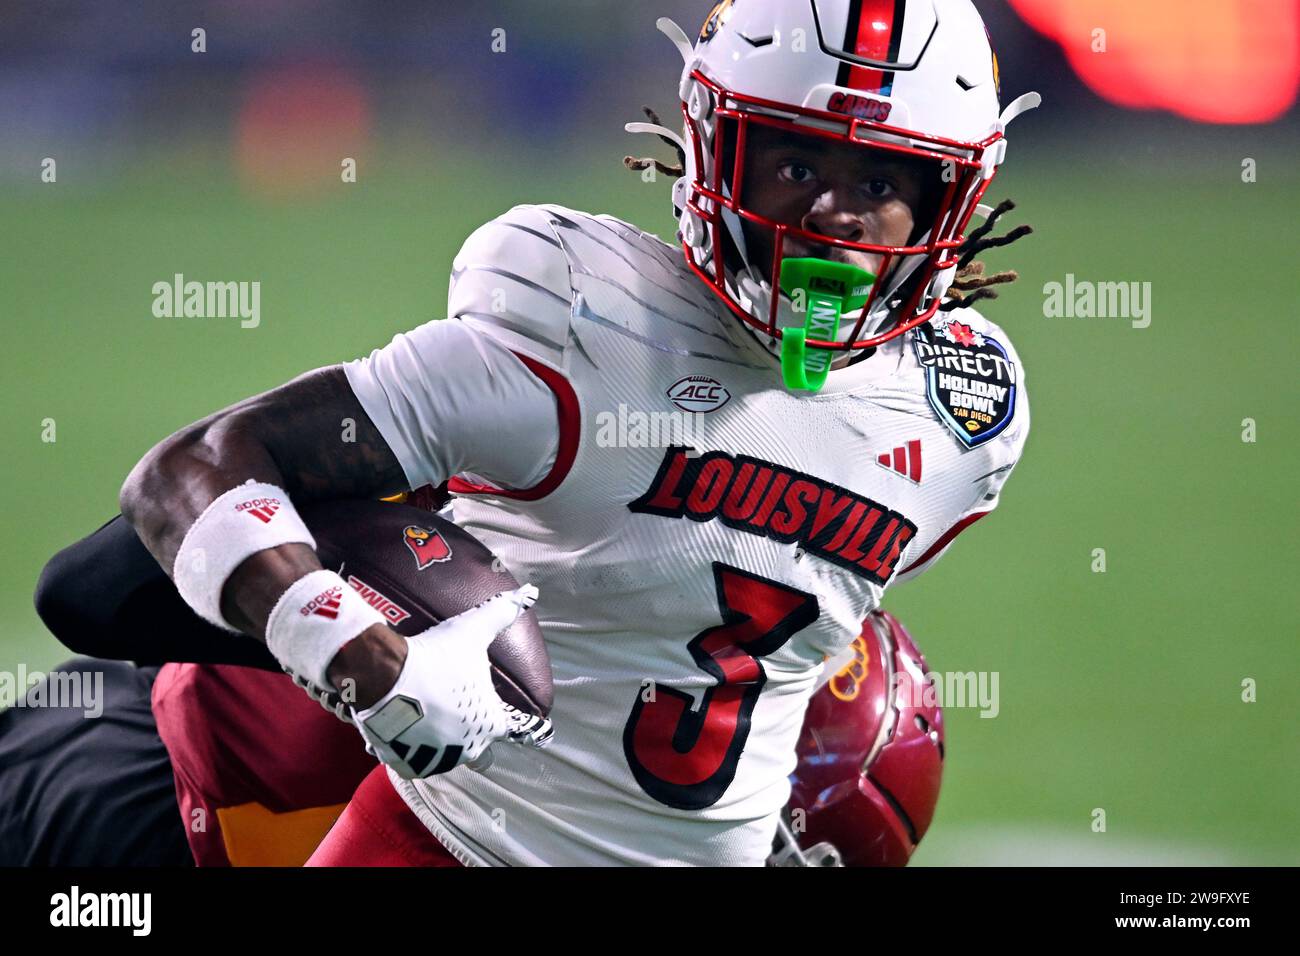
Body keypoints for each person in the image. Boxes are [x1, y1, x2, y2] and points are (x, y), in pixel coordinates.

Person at [114, 0, 1038, 866]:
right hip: (451, 845)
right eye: (796, 167)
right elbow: (188, 469)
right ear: (715, 151)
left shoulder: (962, 418)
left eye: (879, 179)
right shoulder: (575, 323)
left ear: (954, 199)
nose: (833, 218)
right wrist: (352, 651)